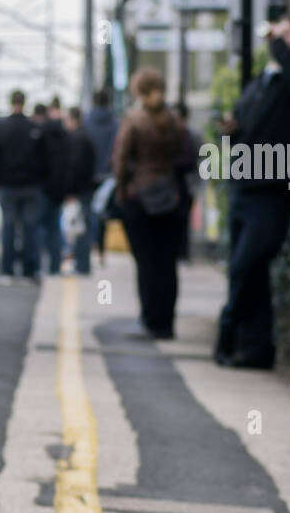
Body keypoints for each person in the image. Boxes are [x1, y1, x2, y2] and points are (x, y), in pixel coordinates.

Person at [215, 16, 290, 369]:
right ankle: (257, 349)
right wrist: (230, 133)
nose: (277, 36)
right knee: (253, 272)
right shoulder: (259, 83)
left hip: (272, 191)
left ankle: (227, 331)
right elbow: (245, 130)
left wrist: (275, 39)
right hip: (244, 187)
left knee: (245, 264)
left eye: (288, 34)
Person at [112, 68, 190, 339]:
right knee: (167, 263)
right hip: (170, 197)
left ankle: (149, 319)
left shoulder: (134, 120)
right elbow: (184, 156)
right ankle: (166, 323)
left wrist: (121, 191)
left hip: (141, 198)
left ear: (138, 91)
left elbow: (120, 161)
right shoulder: (175, 121)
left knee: (146, 262)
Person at [0, 89, 48, 281]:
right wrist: (41, 181)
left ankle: (7, 269)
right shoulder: (34, 128)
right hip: (31, 186)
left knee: (8, 228)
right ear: (25, 103)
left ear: (11, 103)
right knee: (30, 228)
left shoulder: (1, 128)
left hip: (7, 187)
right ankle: (29, 269)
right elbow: (44, 160)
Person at [62, 106, 98, 275]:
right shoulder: (85, 137)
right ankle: (82, 263)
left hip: (79, 191)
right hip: (86, 189)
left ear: (73, 119)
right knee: (81, 226)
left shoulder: (76, 139)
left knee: (79, 228)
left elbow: (74, 167)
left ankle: (82, 265)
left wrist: (70, 191)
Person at [85, 89, 119, 267]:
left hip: (88, 174)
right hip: (108, 175)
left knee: (88, 210)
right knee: (103, 213)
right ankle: (101, 252)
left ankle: (89, 246)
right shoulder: (115, 123)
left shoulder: (86, 122)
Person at [37, 99, 71, 274]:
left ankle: (39, 265)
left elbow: (37, 161)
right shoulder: (66, 136)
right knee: (55, 229)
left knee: (39, 226)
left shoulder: (41, 134)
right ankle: (55, 266)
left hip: (43, 187)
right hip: (59, 189)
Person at [174, 102, 202, 263]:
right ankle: (179, 253)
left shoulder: (192, 134)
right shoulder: (170, 133)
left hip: (186, 182)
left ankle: (182, 253)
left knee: (183, 218)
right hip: (178, 183)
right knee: (178, 218)